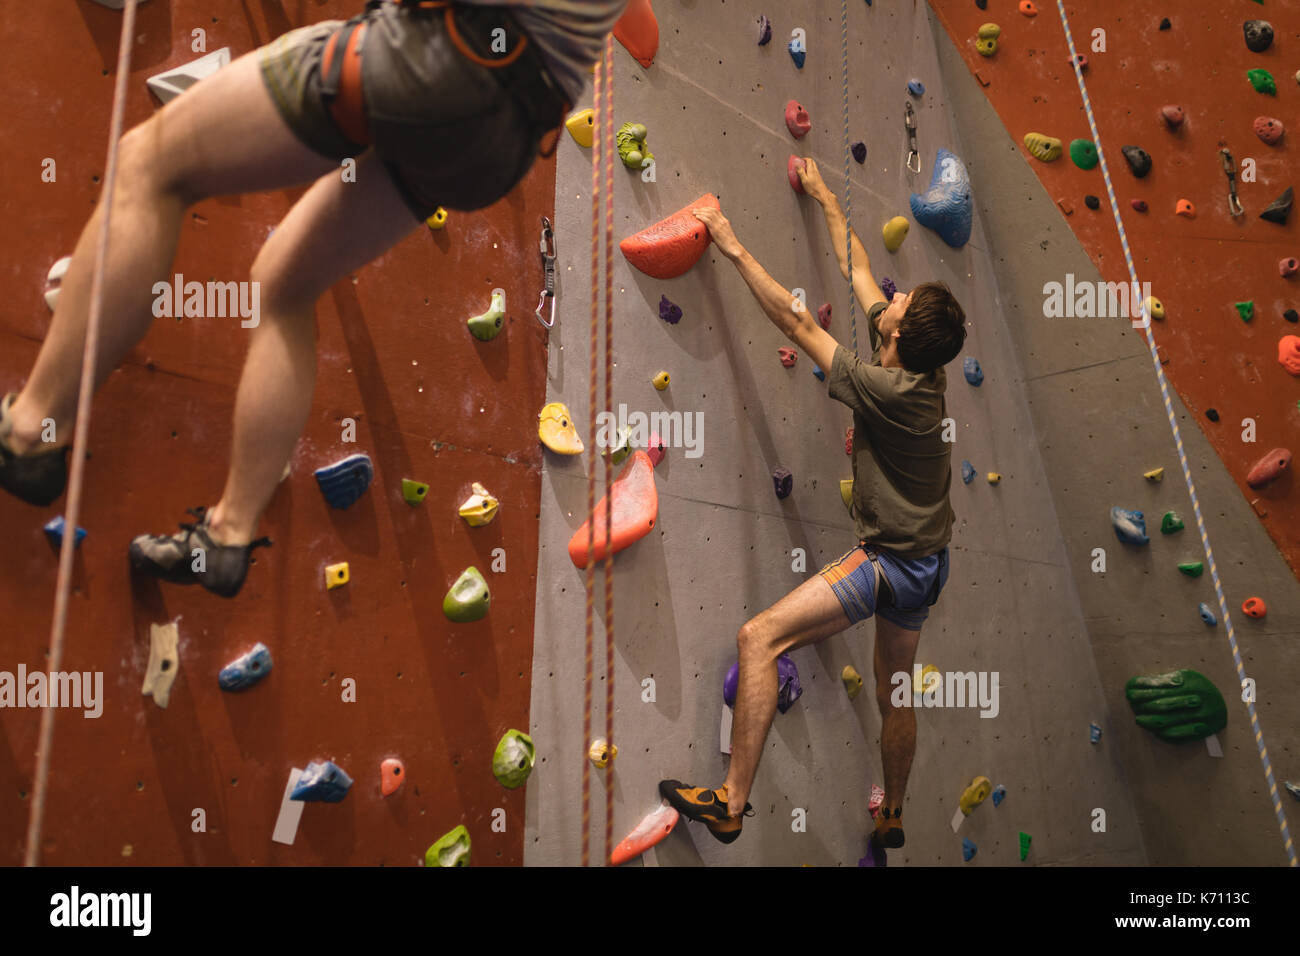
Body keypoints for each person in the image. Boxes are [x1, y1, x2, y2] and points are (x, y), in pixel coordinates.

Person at [0, 0, 627, 596]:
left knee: (151, 166)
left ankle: (29, 433)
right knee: (287, 287)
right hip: (500, 140)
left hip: (443, 56)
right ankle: (227, 534)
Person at [659, 157, 966, 856]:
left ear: (897, 332)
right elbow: (858, 270)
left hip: (892, 564)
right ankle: (893, 813)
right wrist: (826, 195)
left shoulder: (891, 391)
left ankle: (732, 803)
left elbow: (798, 323)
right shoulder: (917, 362)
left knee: (759, 638)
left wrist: (730, 242)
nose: (897, 292)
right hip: (929, 565)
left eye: (904, 299)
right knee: (895, 693)